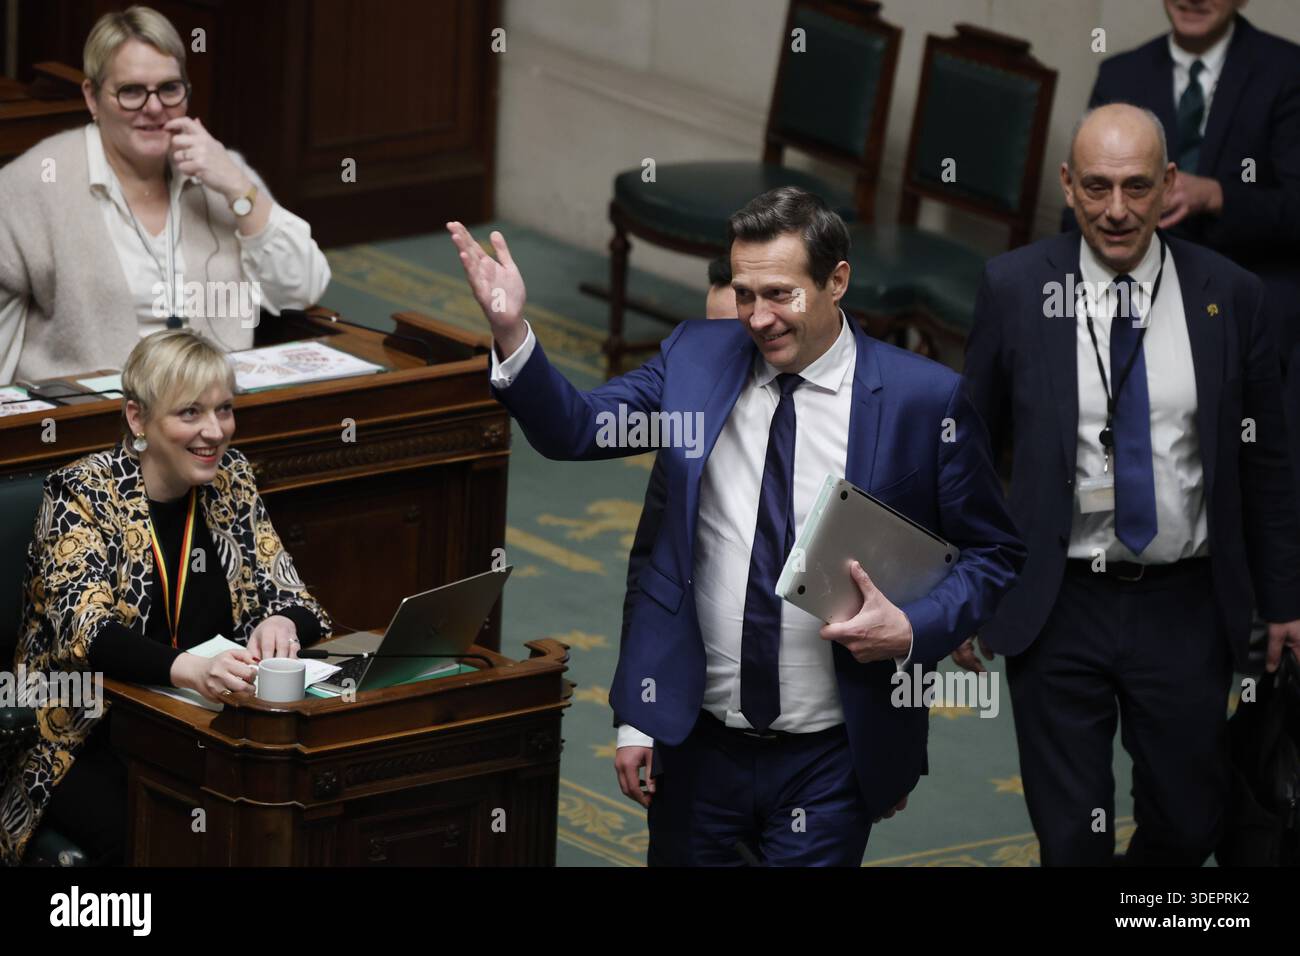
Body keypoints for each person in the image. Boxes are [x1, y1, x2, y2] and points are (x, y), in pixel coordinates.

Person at [448, 187, 1025, 866]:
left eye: (780, 294)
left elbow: (991, 552)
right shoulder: (698, 359)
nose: (757, 317)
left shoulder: (921, 399)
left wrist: (914, 628)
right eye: (744, 293)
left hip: (832, 753)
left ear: (837, 280)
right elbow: (578, 428)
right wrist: (514, 333)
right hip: (700, 746)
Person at [962, 103, 1300, 866]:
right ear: (1067, 185)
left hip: (1187, 605)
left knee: (1187, 826)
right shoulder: (1014, 288)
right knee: (1071, 843)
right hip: (1057, 603)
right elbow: (969, 453)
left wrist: (1284, 601)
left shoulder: (1231, 296)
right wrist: (961, 590)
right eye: (1097, 186)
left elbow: (1266, 463)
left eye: (1137, 187)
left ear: (1170, 184)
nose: (1116, 210)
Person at [0, 329, 332, 866]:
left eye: (224, 410)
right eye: (190, 413)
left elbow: (292, 595)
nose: (213, 432)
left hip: (203, 728)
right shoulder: (81, 494)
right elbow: (89, 634)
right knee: (173, 830)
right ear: (138, 419)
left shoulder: (231, 479)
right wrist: (188, 671)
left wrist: (284, 624)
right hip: (83, 735)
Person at [0, 5, 331, 385]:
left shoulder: (221, 170)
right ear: (92, 98)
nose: (154, 108)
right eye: (131, 92)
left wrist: (237, 187)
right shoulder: (36, 182)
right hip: (92, 418)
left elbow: (302, 289)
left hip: (217, 411)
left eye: (169, 89)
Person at [1072, 0, 1300, 501]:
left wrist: (1217, 195)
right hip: (1134, 275)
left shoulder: (1284, 71)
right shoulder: (1122, 72)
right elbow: (1081, 210)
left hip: (1244, 281)